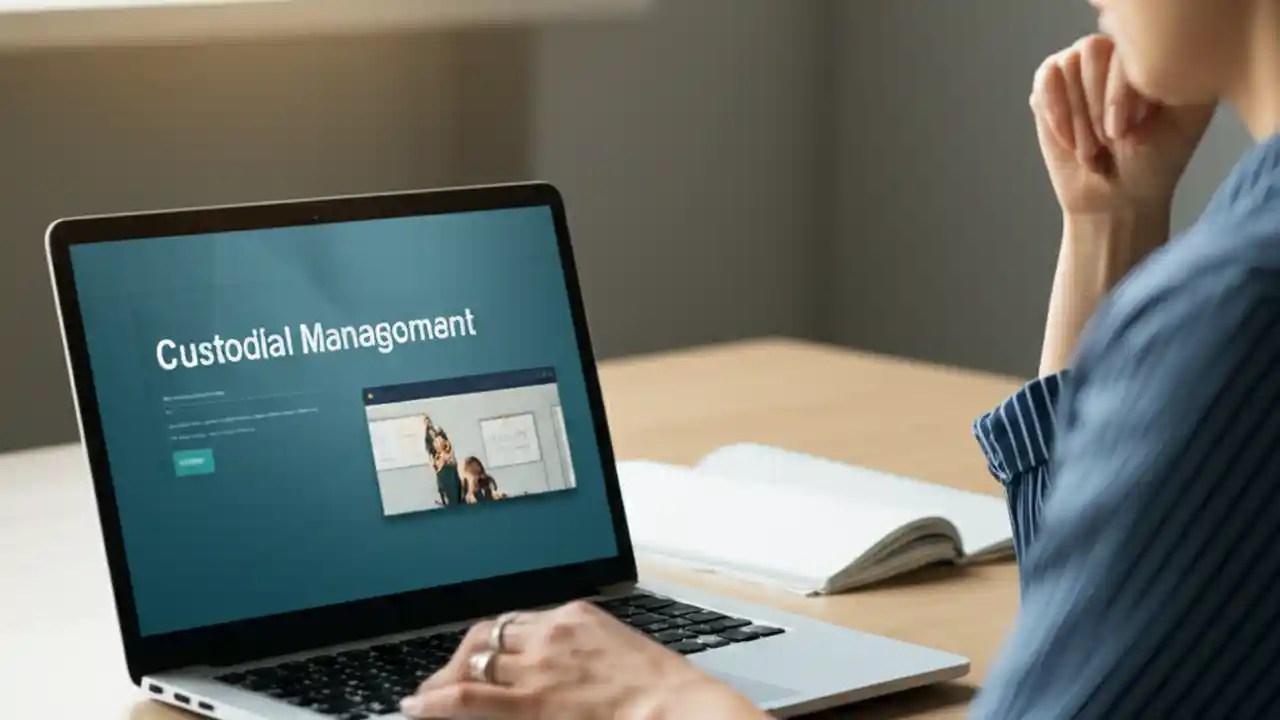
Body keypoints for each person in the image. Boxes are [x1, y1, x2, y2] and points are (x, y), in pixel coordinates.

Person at [400, 0, 1280, 717]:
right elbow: (1088, 611)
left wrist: (657, 698)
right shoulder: (1248, 216)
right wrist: (1110, 221)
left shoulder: (1236, 307)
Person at [423, 415, 462, 508]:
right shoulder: (427, 438)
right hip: (443, 471)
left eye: (428, 420)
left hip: (450, 470)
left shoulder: (438, 430)